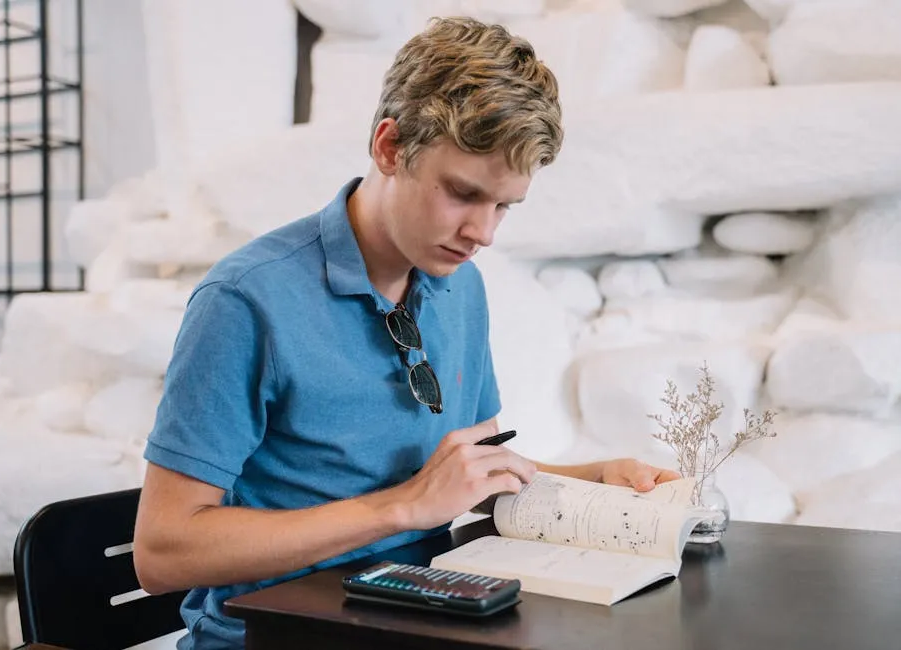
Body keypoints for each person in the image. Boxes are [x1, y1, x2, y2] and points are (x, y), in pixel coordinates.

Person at [133, 16, 679, 649]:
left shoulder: (461, 284)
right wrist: (403, 507)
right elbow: (163, 553)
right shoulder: (245, 301)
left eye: (503, 205)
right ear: (390, 148)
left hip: (428, 620)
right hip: (280, 637)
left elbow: (466, 476)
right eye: (462, 193)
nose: (484, 233)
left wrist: (590, 477)